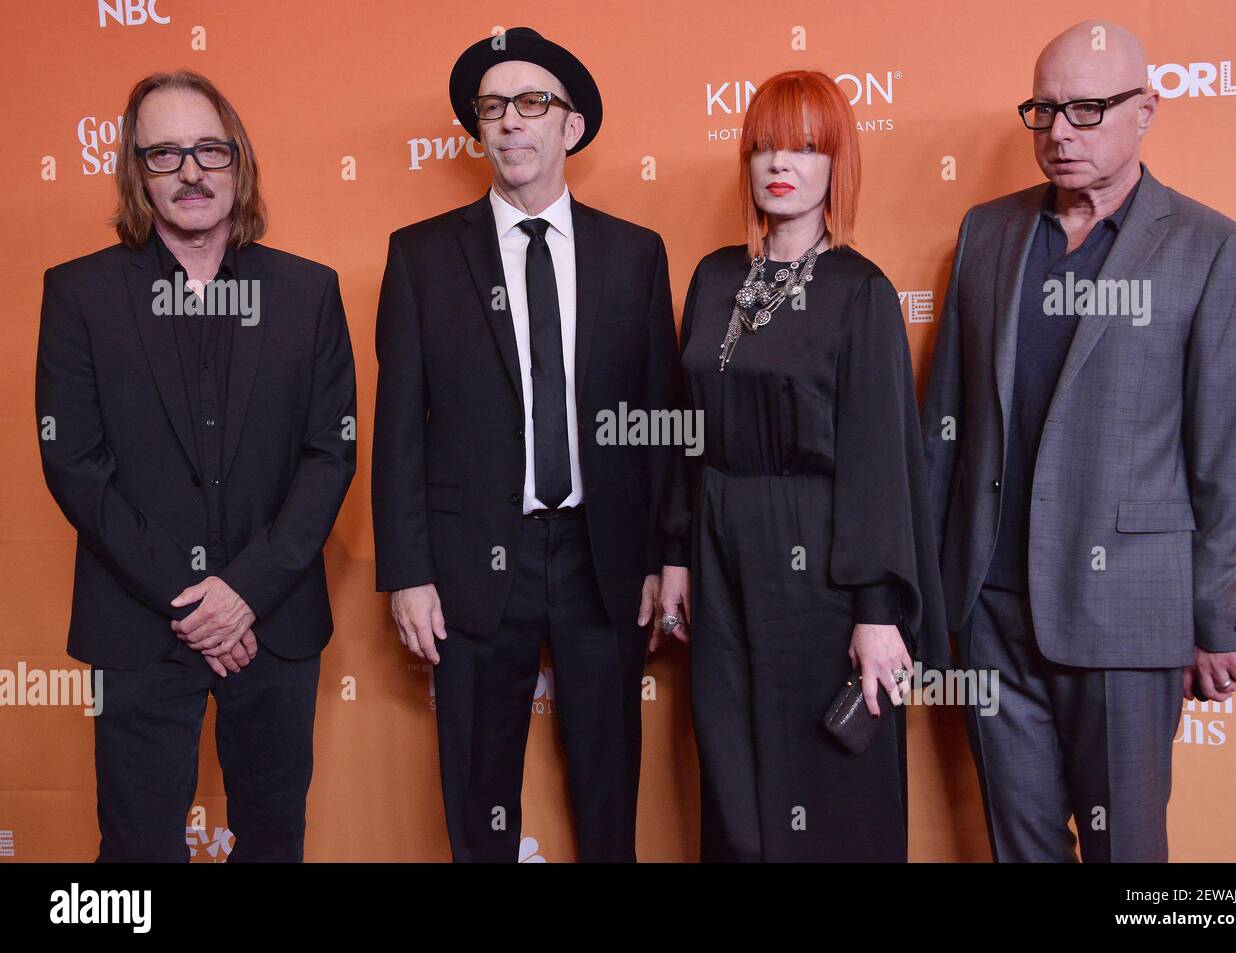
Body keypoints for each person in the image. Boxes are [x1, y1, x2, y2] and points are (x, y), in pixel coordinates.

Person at [922, 21, 1236, 862]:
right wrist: (930, 596)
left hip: (1127, 618)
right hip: (992, 612)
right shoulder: (987, 233)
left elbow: (1227, 454)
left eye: (1087, 109)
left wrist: (1213, 619)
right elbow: (944, 427)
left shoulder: (1212, 248)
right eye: (1044, 110)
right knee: (1021, 847)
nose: (1060, 132)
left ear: (1146, 109)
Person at [372, 27, 680, 862]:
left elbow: (661, 422)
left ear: (570, 127)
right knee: (478, 793)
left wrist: (667, 554)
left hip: (602, 556)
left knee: (609, 785)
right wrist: (407, 571)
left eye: (532, 103)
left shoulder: (635, 255)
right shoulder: (421, 256)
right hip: (473, 558)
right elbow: (397, 428)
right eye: (493, 107)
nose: (511, 122)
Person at [36, 70, 357, 862]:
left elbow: (331, 453)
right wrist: (193, 600)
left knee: (275, 841)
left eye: (210, 149)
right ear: (135, 172)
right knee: (137, 852)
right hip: (140, 625)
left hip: (273, 622)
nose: (191, 171)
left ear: (238, 162)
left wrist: (244, 591)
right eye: (166, 154)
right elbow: (75, 463)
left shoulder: (307, 293)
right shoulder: (79, 294)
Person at [656, 70, 950, 862]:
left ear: (835, 165)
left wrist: (878, 609)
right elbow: (689, 431)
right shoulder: (715, 277)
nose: (780, 162)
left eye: (805, 146)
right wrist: (676, 552)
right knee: (732, 774)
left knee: (823, 786)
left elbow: (881, 462)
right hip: (721, 552)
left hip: (820, 562)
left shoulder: (862, 291)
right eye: (763, 145)